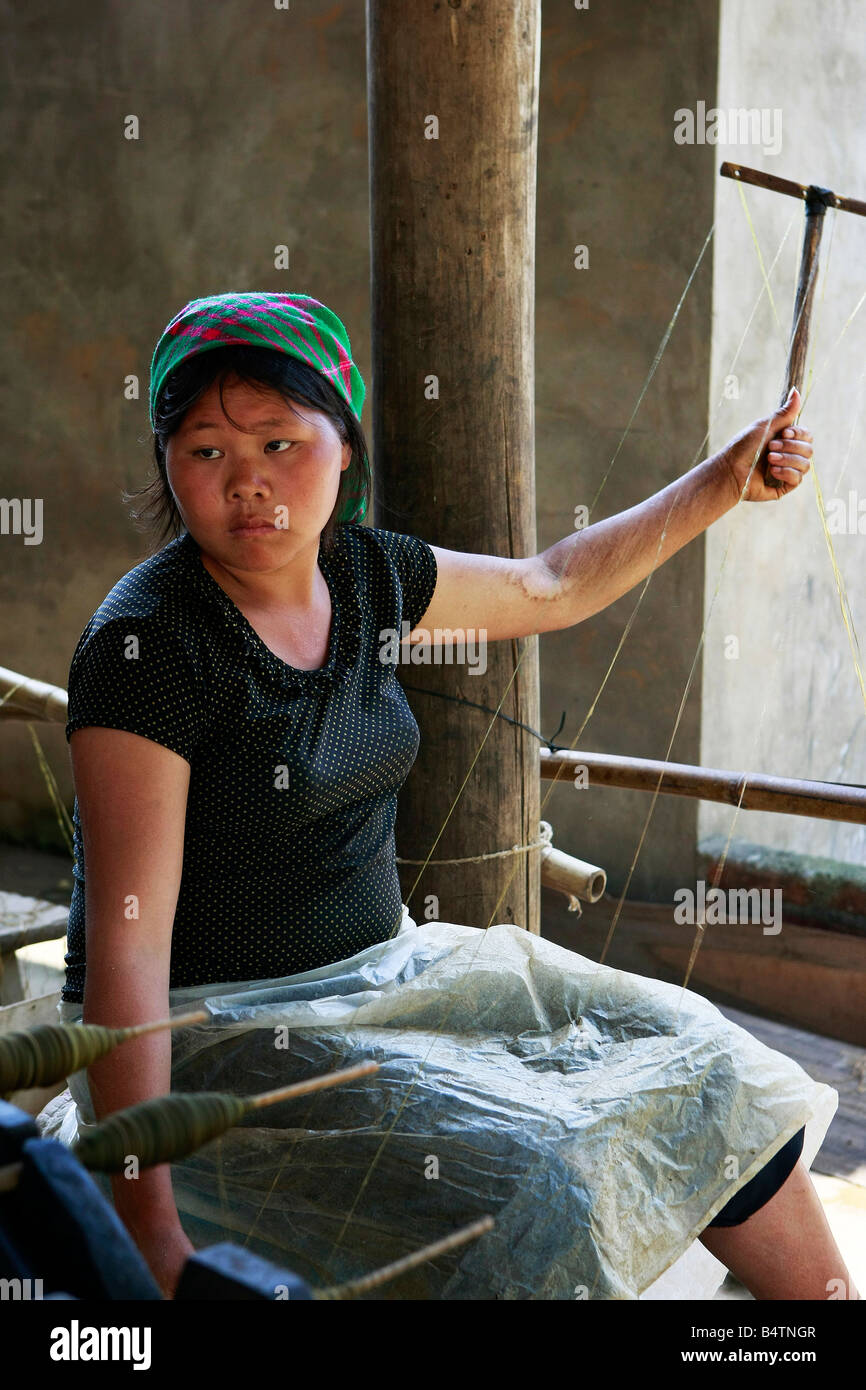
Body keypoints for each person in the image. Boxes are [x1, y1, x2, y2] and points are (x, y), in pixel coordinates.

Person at [51, 291, 857, 1301]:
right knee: (537, 1180)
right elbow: (127, 947)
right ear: (166, 463)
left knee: (706, 1060)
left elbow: (551, 584)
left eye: (278, 441)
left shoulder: (365, 574)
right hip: (217, 1022)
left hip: (388, 971)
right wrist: (148, 1229)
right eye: (205, 449)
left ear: (343, 449)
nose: (247, 482)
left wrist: (721, 481)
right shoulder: (149, 644)